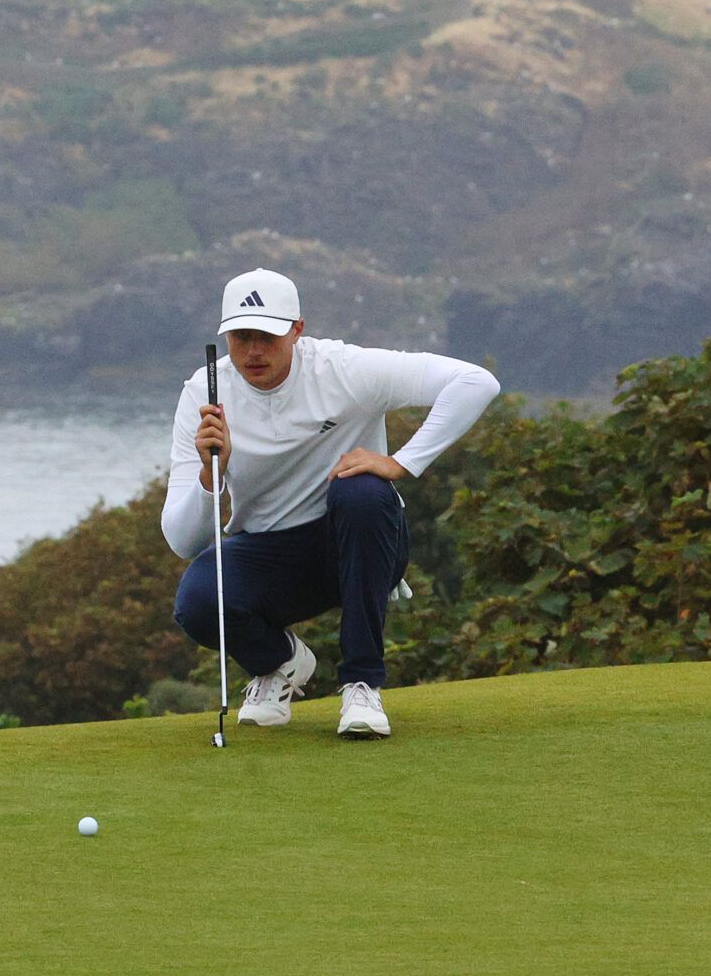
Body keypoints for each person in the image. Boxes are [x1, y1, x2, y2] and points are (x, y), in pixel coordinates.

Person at [162, 267, 499, 739]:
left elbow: (475, 382)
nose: (254, 351)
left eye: (268, 335)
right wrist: (209, 473)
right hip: (272, 554)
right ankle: (280, 663)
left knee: (361, 491)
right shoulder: (204, 394)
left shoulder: (343, 369)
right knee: (197, 600)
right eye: (241, 337)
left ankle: (362, 684)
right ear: (225, 335)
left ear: (297, 330)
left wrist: (401, 463)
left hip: (358, 538)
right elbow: (184, 540)